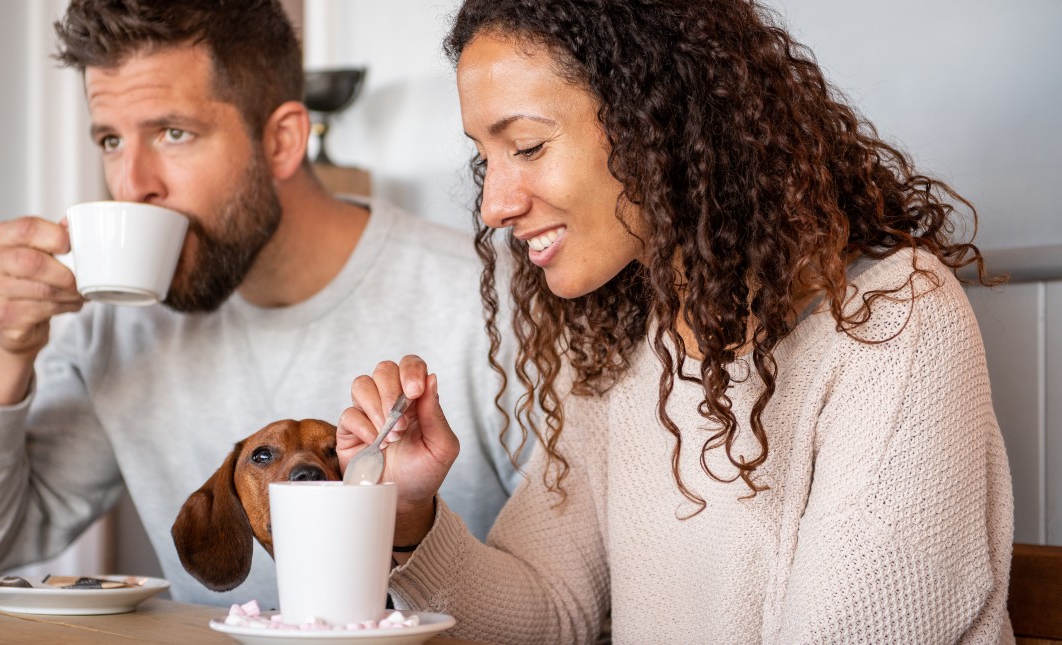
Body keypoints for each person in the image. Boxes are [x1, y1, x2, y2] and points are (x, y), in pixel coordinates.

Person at [336, 0, 1016, 642]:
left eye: (529, 146)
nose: (493, 206)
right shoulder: (625, 344)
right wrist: (408, 515)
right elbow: (547, 610)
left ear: (656, 120)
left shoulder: (896, 324)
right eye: (486, 158)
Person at [0, 0, 527, 607]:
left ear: (282, 141)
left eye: (173, 133)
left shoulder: (490, 300)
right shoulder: (115, 333)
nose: (131, 185)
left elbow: (571, 604)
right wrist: (7, 351)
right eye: (112, 140)